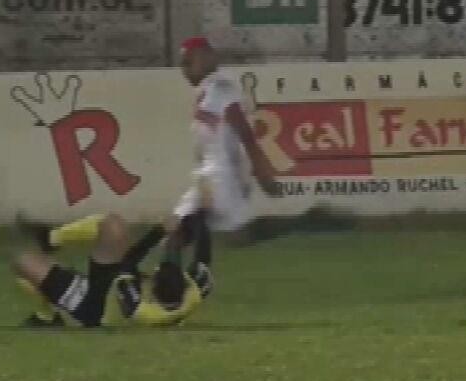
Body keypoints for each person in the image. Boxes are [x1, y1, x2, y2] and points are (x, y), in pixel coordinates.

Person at [162, 36, 285, 296]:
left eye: (188, 62)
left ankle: (181, 285)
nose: (184, 70)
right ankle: (179, 285)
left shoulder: (222, 89)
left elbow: (245, 134)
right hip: (208, 175)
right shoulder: (206, 91)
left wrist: (262, 170)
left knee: (187, 231)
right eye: (182, 64)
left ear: (207, 57)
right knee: (189, 232)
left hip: (221, 177)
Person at [14, 212, 200, 328]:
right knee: (112, 225)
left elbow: (129, 261)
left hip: (93, 310)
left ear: (153, 289)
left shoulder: (138, 309)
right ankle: (50, 240)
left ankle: (48, 315)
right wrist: (175, 242)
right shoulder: (185, 299)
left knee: (22, 261)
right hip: (101, 289)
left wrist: (158, 231)